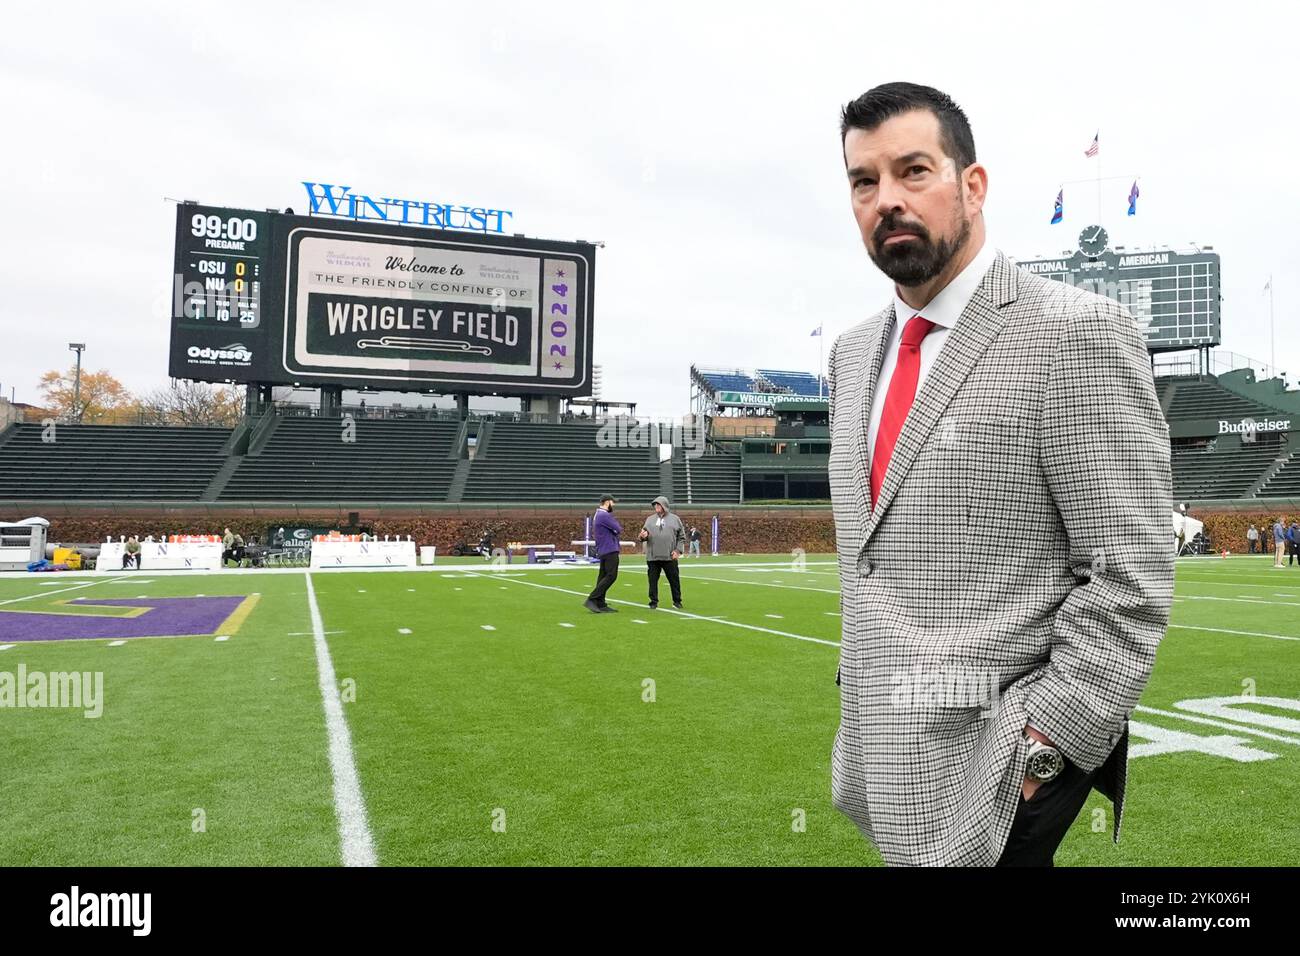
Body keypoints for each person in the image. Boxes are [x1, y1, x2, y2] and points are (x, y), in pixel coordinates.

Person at [827, 83, 1173, 867]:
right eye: (864, 181)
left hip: (1004, 760)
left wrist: (1044, 754)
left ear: (972, 185)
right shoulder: (852, 355)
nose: (888, 199)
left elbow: (1131, 574)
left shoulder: (1076, 335)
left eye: (914, 171)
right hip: (881, 750)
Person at [639, 495, 686, 609]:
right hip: (653, 557)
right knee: (652, 581)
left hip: (669, 556)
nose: (656, 506)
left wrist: (678, 550)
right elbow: (643, 535)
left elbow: (681, 537)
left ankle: (677, 601)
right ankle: (653, 601)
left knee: (674, 580)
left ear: (664, 505)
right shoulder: (649, 519)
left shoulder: (675, 519)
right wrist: (642, 536)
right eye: (655, 504)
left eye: (658, 504)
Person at [584, 495, 621, 613]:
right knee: (611, 575)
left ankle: (601, 603)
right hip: (610, 549)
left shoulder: (598, 514)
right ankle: (592, 598)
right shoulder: (604, 515)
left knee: (603, 576)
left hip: (604, 549)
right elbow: (618, 528)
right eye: (612, 502)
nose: (613, 505)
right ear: (607, 502)